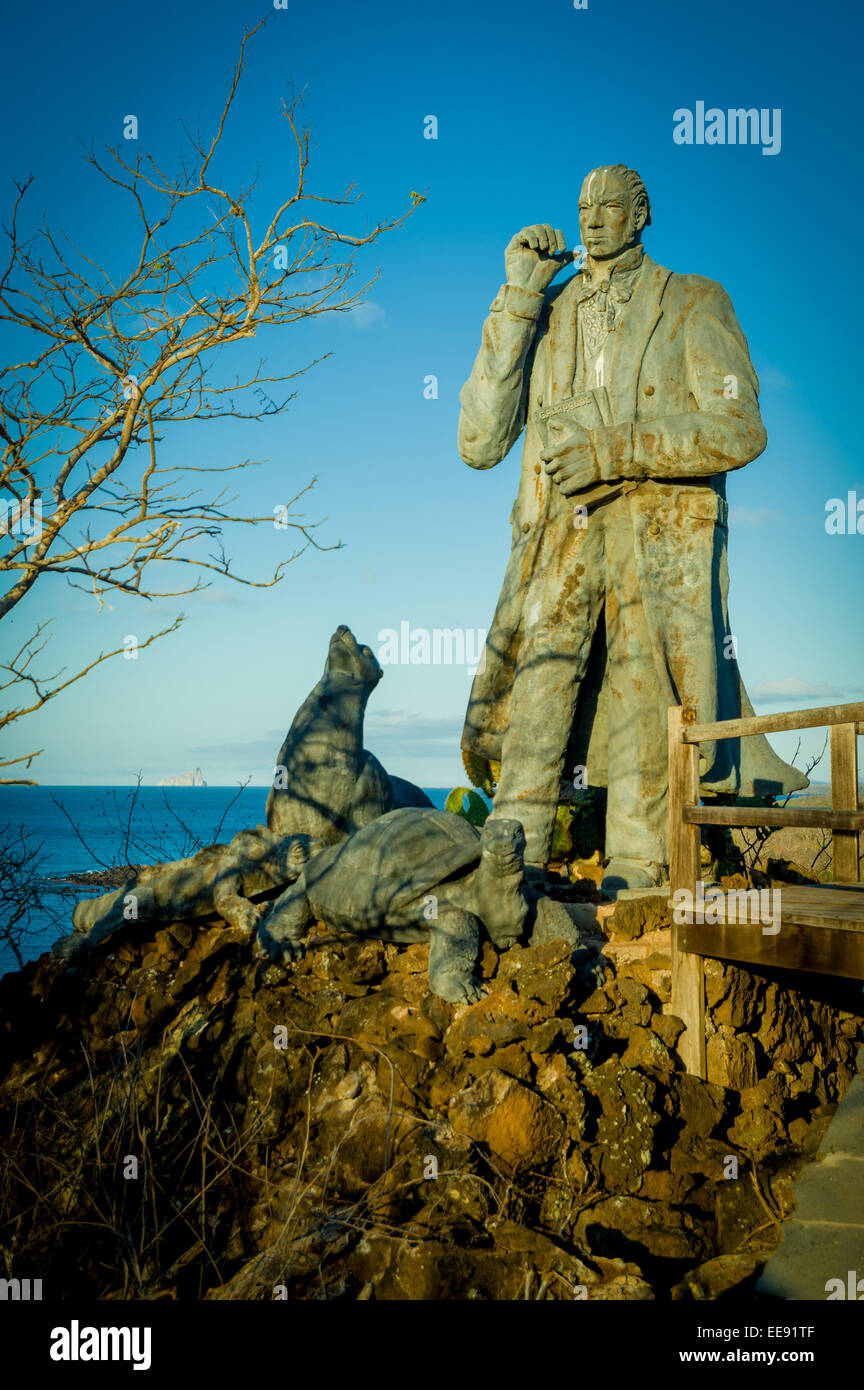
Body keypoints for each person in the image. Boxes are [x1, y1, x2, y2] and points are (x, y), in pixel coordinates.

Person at [458, 164, 806, 891]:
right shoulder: (544, 311)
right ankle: (509, 865)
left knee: (646, 685)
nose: (590, 218)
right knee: (540, 684)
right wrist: (520, 296)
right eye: (582, 205)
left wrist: (616, 451)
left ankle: (638, 873)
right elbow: (480, 443)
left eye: (609, 205)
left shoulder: (694, 301)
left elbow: (741, 428)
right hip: (559, 533)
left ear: (641, 213)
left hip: (656, 535)